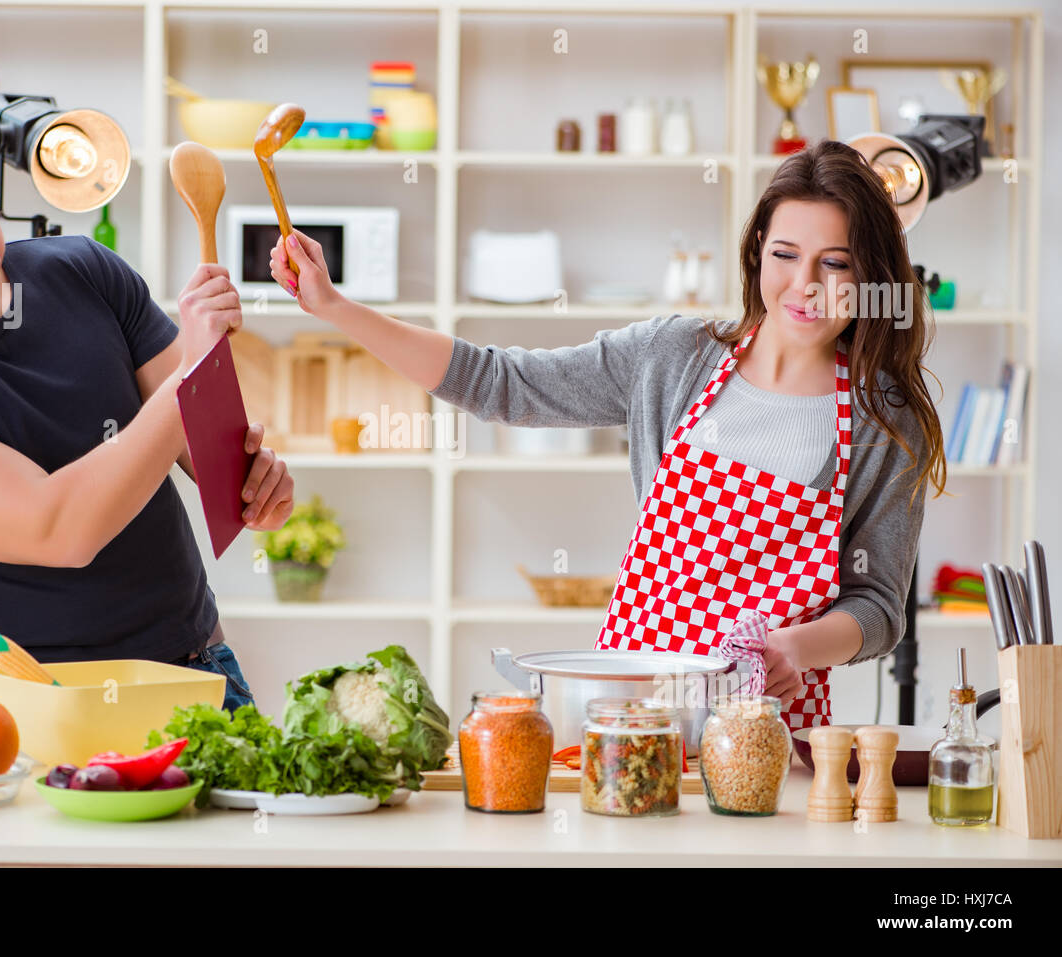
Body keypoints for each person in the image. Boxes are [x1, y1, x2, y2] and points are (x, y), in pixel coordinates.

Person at [267, 138, 948, 729]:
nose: (805, 285)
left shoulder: (888, 422)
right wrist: (336, 308)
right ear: (756, 256)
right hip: (633, 704)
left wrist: (796, 648)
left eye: (836, 263)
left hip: (766, 725)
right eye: (785, 254)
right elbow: (498, 382)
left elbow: (879, 604)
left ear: (870, 276)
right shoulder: (672, 356)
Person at [0, 106, 293, 709]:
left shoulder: (83, 270)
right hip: (33, 718)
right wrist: (191, 375)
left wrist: (252, 486)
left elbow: (213, 460)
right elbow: (62, 529)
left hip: (200, 677)